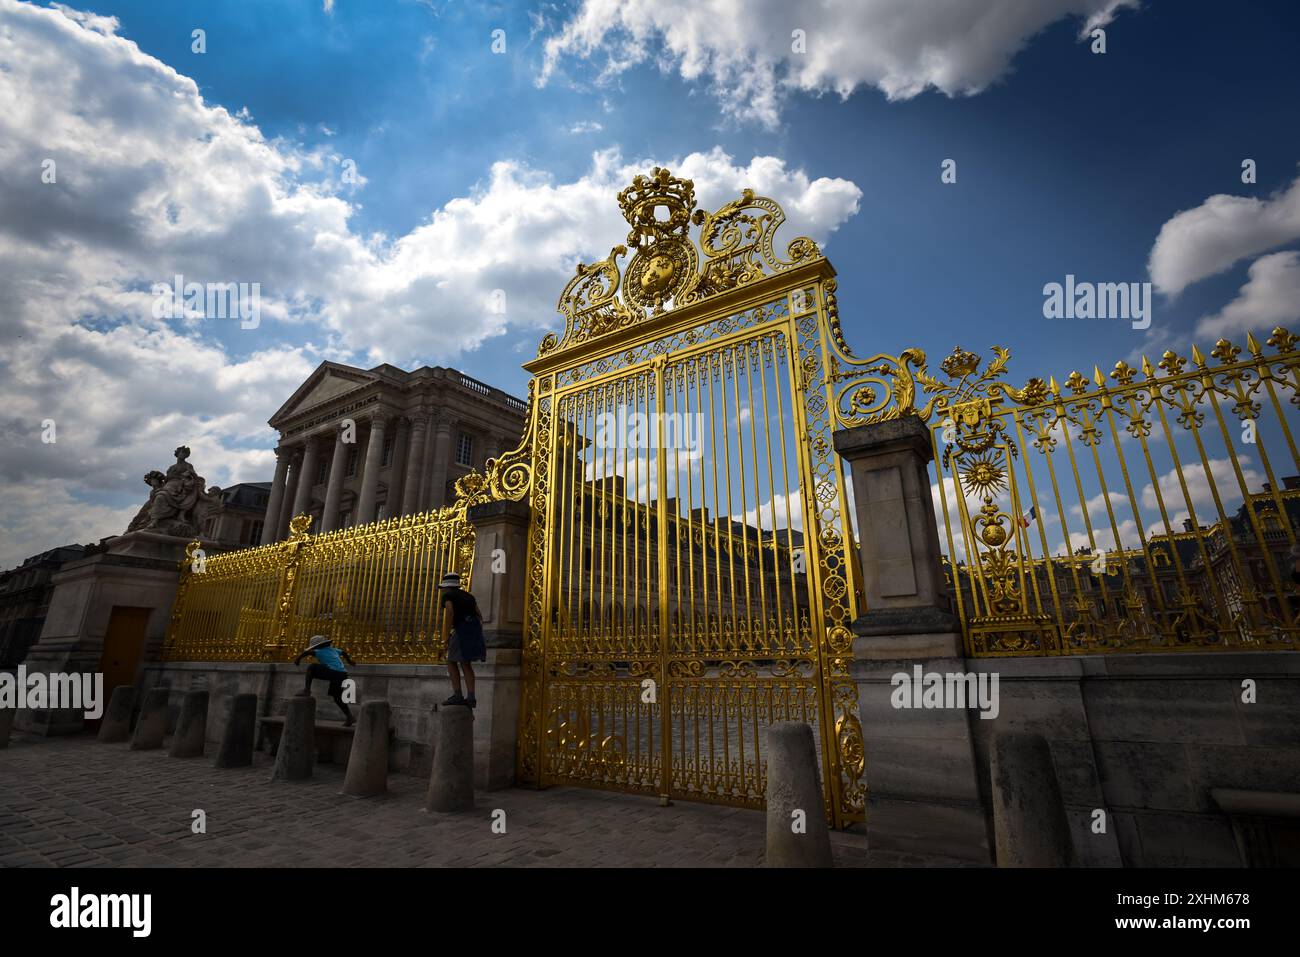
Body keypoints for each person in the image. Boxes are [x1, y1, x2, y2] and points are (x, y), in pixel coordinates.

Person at [438, 573, 485, 708]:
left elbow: (450, 612)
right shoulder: (469, 596)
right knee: (466, 663)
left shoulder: (447, 596)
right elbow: (479, 615)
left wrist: (446, 636)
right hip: (473, 629)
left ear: (447, 587)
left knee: (451, 660)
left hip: (460, 629)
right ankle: (471, 697)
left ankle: (457, 694)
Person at [294, 634, 356, 726]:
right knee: (337, 697)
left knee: (312, 667)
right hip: (342, 674)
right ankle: (349, 717)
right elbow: (343, 652)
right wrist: (350, 661)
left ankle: (307, 689)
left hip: (333, 672)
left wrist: (297, 660)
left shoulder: (319, 651)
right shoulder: (334, 650)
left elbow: (306, 653)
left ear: (317, 646)